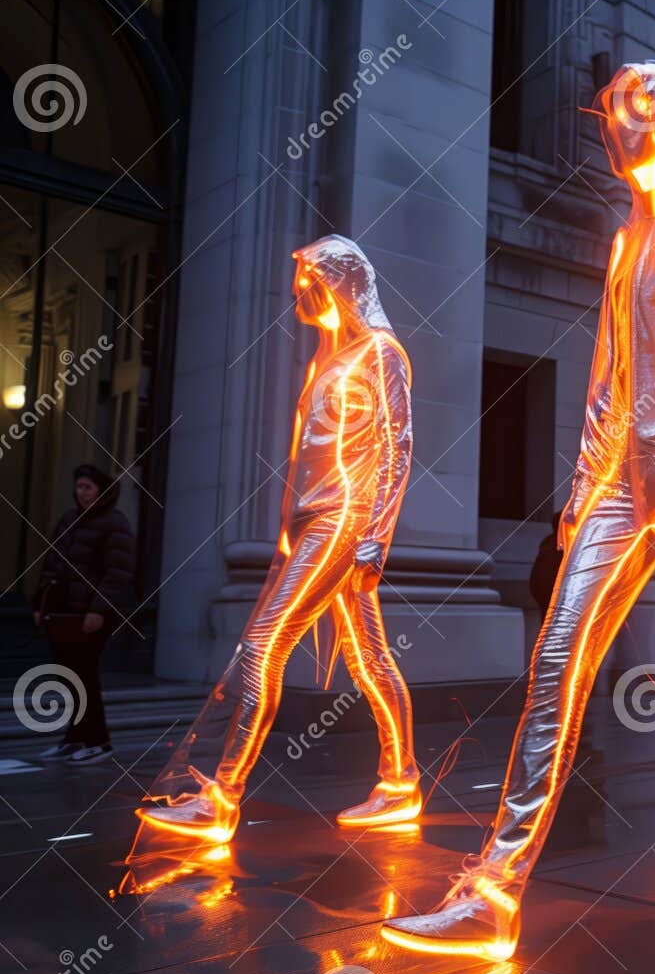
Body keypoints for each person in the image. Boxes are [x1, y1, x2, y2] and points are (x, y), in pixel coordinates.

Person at [383, 62, 655, 961]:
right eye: (613, 116)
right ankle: (494, 889)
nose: (623, 131)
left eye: (640, 113)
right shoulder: (629, 234)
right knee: (556, 661)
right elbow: (608, 369)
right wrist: (581, 485)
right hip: (625, 471)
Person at [136, 234, 419, 841]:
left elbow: (398, 448)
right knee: (368, 657)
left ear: (337, 285)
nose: (298, 302)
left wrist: (377, 533)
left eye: (308, 289)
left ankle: (222, 796)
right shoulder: (328, 359)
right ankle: (401, 784)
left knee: (263, 645)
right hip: (315, 522)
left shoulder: (381, 353)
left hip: (346, 517)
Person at [30, 464, 135, 763]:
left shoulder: (114, 522)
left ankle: (99, 742)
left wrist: (98, 610)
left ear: (101, 489)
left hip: (91, 614)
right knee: (68, 677)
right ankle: (75, 739)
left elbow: (117, 572)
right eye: (79, 487)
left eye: (88, 487)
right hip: (63, 613)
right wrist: (40, 604)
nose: (83, 493)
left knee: (85, 677)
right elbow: (51, 564)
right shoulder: (68, 520)